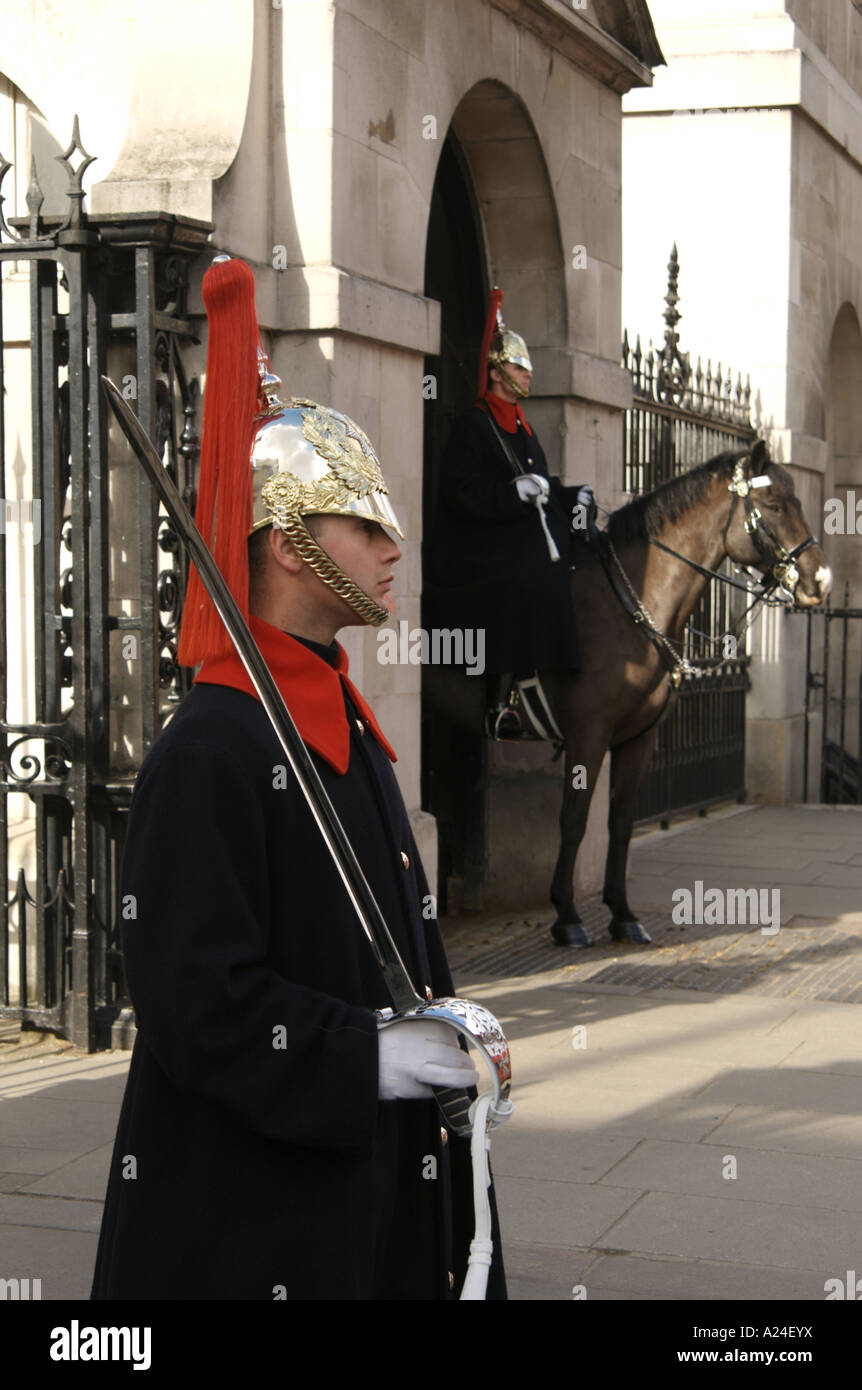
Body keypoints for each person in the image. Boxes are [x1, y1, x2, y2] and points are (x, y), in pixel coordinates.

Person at [91, 256, 507, 1300]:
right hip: (251, 1215)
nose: (392, 544)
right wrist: (372, 1057)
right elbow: (196, 1002)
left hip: (364, 1188)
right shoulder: (213, 745)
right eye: (363, 524)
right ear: (285, 542)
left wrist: (442, 1034)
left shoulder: (337, 719)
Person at [426, 288, 595, 738]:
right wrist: (509, 494)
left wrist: (572, 495)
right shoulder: (475, 424)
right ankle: (502, 701)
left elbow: (539, 480)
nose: (529, 375)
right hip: (479, 542)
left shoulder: (521, 423)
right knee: (523, 576)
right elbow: (460, 493)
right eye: (521, 367)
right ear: (499, 371)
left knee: (574, 559)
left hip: (518, 532)